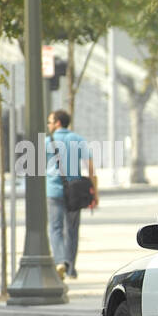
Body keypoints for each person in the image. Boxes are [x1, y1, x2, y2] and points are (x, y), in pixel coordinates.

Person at [45, 109, 98, 280]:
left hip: (53, 191)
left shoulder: (47, 142)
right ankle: (70, 267)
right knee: (73, 230)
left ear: (58, 122)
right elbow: (90, 168)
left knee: (55, 228)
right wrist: (94, 192)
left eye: (50, 122)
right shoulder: (78, 140)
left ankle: (60, 261)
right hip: (75, 193)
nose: (49, 125)